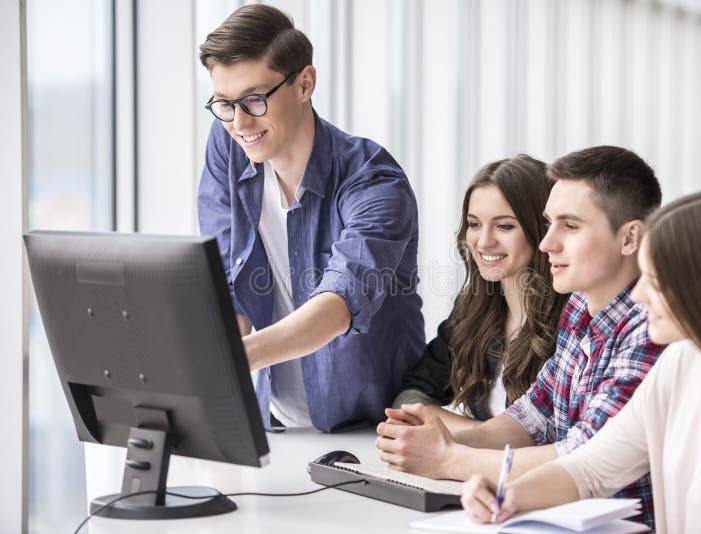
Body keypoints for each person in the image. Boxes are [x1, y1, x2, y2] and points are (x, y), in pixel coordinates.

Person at [460, 189, 701, 533]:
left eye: (655, 281)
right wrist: (508, 495)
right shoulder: (681, 363)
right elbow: (592, 467)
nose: (638, 295)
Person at [376, 146, 665, 528]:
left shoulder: (652, 328)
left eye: (571, 226)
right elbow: (536, 413)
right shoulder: (582, 306)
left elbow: (585, 457)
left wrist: (450, 458)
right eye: (549, 224)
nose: (548, 244)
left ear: (630, 239)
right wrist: (440, 438)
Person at [197, 4, 424, 433]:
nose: (240, 122)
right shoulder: (228, 146)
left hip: (371, 431)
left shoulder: (374, 182)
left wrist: (233, 356)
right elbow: (229, 277)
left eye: (254, 99)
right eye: (224, 104)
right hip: (273, 421)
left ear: (305, 83)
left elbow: (340, 304)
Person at [393, 155, 569, 432]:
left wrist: (472, 441)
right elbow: (411, 397)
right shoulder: (473, 309)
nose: (484, 241)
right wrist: (478, 437)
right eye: (474, 224)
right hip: (474, 467)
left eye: (505, 226)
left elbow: (561, 439)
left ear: (541, 229)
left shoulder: (574, 321)